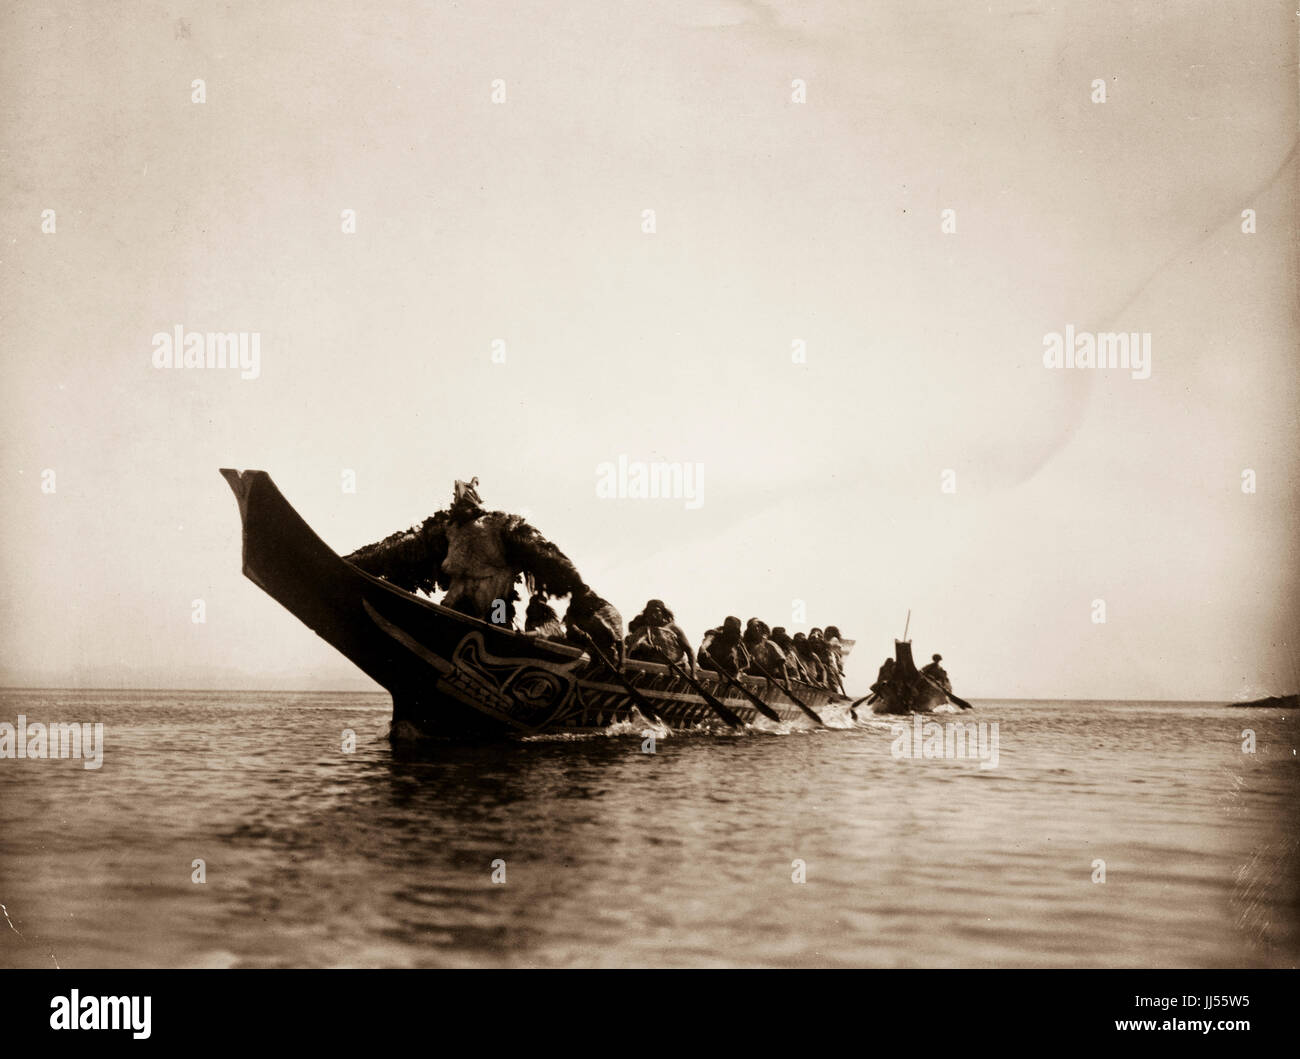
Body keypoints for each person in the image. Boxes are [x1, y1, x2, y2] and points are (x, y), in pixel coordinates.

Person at [344, 477, 588, 626]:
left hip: (497, 598)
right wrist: (355, 564)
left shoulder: (500, 524)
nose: (457, 503)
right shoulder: (448, 529)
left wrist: (578, 589)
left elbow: (544, 552)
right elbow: (398, 548)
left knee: (498, 627)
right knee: (453, 622)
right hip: (459, 597)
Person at [627, 599, 697, 676]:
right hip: (652, 670)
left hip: (676, 669)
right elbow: (636, 645)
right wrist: (648, 647)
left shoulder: (674, 629)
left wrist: (693, 673)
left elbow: (690, 651)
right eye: (650, 612)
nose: (653, 615)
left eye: (656, 611)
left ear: (663, 612)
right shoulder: (643, 630)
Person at [564, 586, 625, 665]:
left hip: (604, 651)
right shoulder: (573, 608)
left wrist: (622, 665)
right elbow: (570, 624)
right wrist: (580, 632)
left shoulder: (606, 611)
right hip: (580, 648)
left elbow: (619, 640)